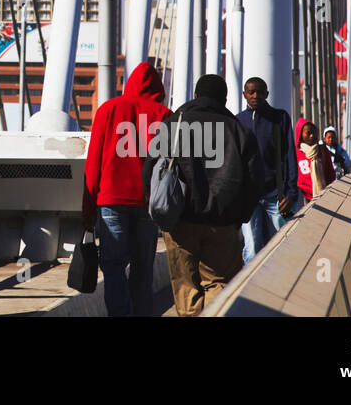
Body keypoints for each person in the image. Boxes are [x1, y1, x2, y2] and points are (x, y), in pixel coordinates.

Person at [141, 74, 265, 317]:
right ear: (225, 99)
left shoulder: (173, 124)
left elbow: (151, 169)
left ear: (196, 96)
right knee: (219, 283)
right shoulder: (239, 131)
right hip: (222, 223)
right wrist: (238, 216)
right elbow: (255, 182)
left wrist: (158, 208)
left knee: (186, 287)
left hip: (180, 220)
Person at [82, 62, 172, 316]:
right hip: (148, 203)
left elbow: (93, 163)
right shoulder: (165, 114)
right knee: (143, 270)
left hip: (111, 201)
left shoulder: (107, 110)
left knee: (113, 267)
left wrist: (87, 209)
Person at [236, 76, 299, 264]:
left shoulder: (280, 118)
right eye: (251, 92)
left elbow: (289, 155)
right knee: (252, 247)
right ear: (244, 95)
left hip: (277, 195)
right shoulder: (239, 121)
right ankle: (251, 290)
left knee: (283, 244)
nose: (256, 95)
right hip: (249, 196)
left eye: (260, 92)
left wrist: (291, 192)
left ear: (267, 94)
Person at [295, 118, 336, 201]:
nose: (312, 136)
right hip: (302, 198)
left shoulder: (323, 150)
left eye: (314, 133)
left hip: (322, 196)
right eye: (308, 133)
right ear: (300, 134)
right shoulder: (295, 152)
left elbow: (330, 173)